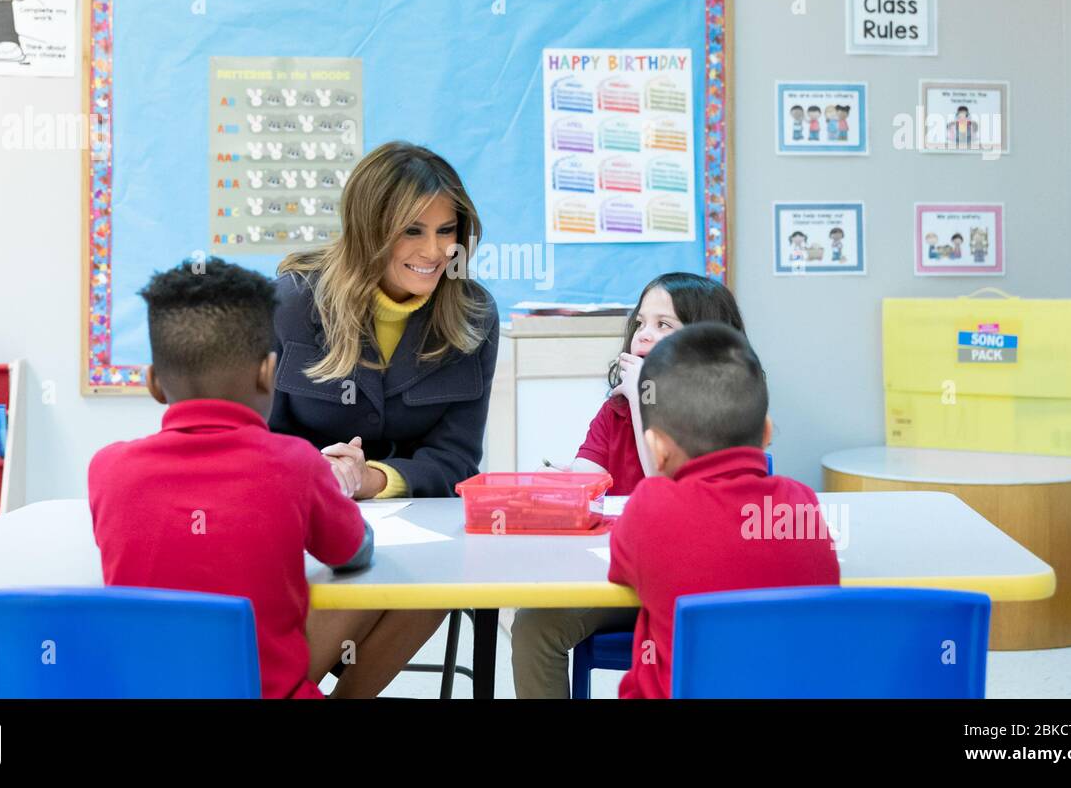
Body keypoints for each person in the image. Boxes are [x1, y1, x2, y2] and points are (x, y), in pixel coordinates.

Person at [271, 140, 500, 697]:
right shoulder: (295, 300)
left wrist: (372, 478)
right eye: (413, 230)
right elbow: (262, 436)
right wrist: (322, 476)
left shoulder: (473, 317)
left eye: (448, 230)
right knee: (368, 574)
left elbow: (456, 459)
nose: (435, 250)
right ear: (370, 230)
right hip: (298, 521)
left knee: (445, 573)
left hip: (410, 527)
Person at [88, 258, 372, 698]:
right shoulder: (298, 464)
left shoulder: (108, 469)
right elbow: (353, 551)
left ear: (153, 384)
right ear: (267, 372)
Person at [511, 272, 746, 698]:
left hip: (695, 583)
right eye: (640, 323)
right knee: (533, 624)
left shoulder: (720, 417)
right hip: (620, 577)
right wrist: (563, 484)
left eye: (663, 325)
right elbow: (587, 474)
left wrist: (645, 400)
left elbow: (673, 492)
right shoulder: (615, 412)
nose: (643, 336)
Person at [609, 322, 840, 698]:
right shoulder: (801, 504)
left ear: (657, 449)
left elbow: (622, 572)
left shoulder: (650, 506)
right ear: (766, 432)